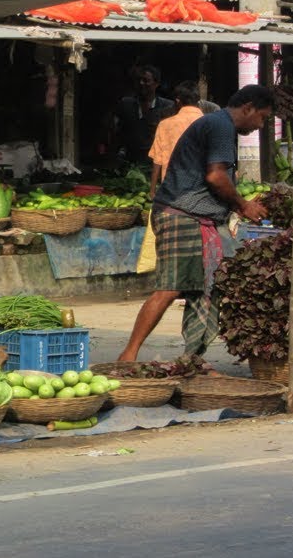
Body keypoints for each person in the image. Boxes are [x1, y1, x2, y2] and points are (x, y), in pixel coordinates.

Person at [117, 84, 274, 362]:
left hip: (195, 216)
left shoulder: (216, 124)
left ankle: (193, 359)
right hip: (182, 214)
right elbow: (215, 176)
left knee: (203, 290)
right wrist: (243, 204)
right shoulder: (221, 126)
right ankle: (128, 355)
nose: (261, 125)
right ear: (248, 108)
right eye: (262, 117)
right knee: (170, 287)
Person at [147, 81, 206, 198]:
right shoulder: (210, 124)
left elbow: (157, 160)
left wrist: (152, 190)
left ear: (178, 100)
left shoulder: (165, 125)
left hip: (172, 190)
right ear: (198, 99)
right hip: (202, 191)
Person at [115, 65, 174, 160]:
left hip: (156, 160)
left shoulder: (167, 106)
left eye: (146, 81)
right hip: (130, 159)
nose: (141, 83)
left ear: (156, 83)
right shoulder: (126, 104)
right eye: (139, 80)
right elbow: (119, 130)